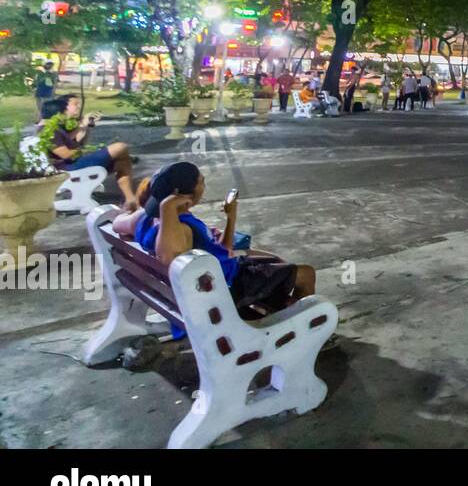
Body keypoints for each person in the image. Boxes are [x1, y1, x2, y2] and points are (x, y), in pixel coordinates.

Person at [133, 162, 315, 334]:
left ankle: (282, 317)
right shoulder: (179, 228)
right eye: (201, 182)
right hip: (225, 287)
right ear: (179, 193)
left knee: (275, 263)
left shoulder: (148, 220)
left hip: (216, 278)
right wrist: (167, 206)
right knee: (306, 274)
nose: (204, 187)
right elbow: (167, 258)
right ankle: (304, 332)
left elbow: (117, 224)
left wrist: (231, 216)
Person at [39, 94, 139, 210]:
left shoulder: (54, 128)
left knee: (122, 160)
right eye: (67, 108)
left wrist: (86, 127)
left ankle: (130, 199)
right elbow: (66, 154)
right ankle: (129, 198)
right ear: (58, 113)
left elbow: (76, 144)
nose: (77, 108)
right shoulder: (48, 130)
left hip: (72, 163)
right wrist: (86, 151)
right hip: (68, 167)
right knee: (120, 147)